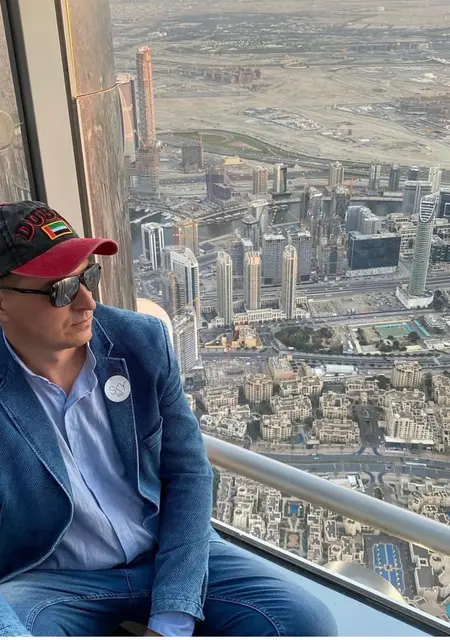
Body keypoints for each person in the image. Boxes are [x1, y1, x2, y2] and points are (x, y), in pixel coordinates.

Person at [0, 201, 337, 637]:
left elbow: (188, 472)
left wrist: (170, 621)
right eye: (61, 290)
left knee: (305, 621)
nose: (87, 301)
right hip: (55, 578)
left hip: (164, 548)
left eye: (89, 276)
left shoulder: (139, 341)